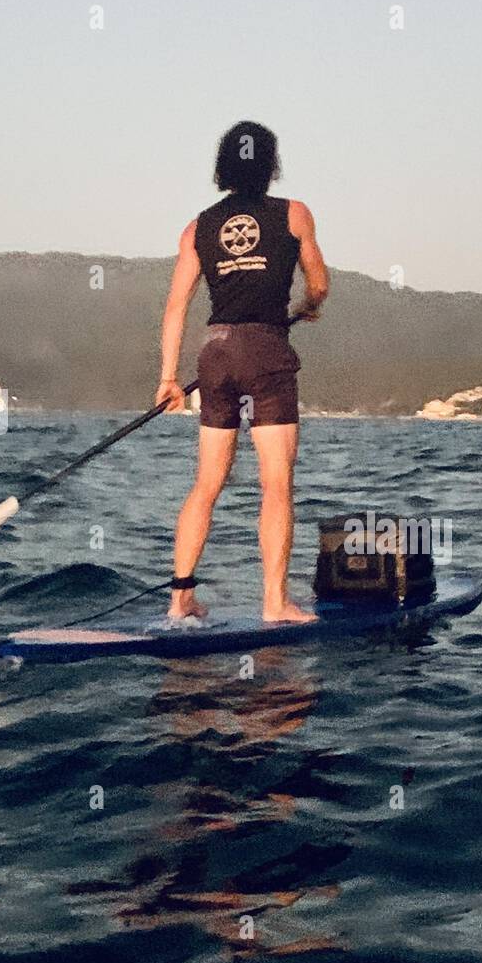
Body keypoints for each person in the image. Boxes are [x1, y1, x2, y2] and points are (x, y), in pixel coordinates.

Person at [156, 122, 329, 621]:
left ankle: (180, 599)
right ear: (270, 166)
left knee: (206, 483)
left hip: (215, 353)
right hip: (265, 351)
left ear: (223, 168)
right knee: (275, 482)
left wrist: (169, 379)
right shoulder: (294, 214)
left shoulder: (197, 227)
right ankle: (275, 602)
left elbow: (175, 308)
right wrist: (310, 304)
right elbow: (318, 283)